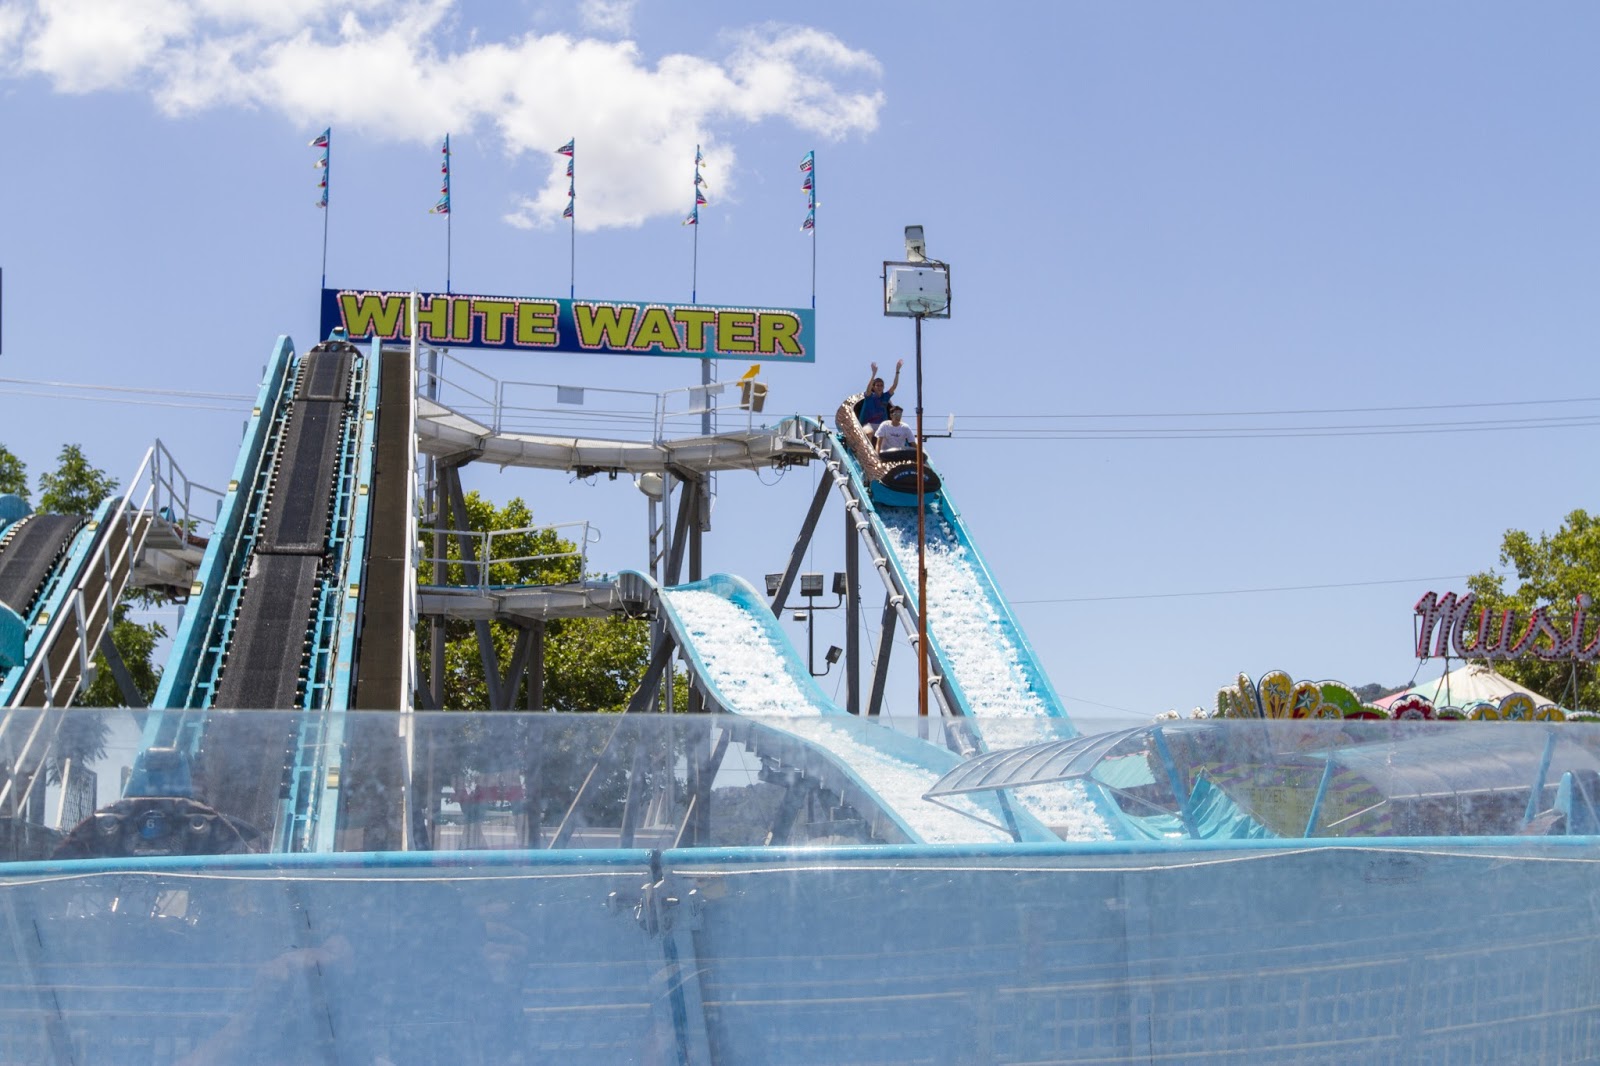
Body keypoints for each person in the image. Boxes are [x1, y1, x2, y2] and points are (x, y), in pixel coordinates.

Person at [859, 359, 903, 432]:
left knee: (888, 431)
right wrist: (873, 374)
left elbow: (894, 386)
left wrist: (897, 371)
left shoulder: (885, 397)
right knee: (869, 432)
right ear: (873, 387)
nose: (879, 387)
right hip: (869, 424)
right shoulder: (870, 396)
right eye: (877, 385)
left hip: (882, 425)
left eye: (881, 385)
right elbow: (868, 389)